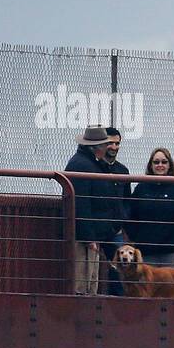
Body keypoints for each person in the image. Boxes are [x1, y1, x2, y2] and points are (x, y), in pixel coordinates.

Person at [64, 124, 128, 295]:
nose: (109, 148)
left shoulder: (86, 163)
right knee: (84, 279)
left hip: (92, 232)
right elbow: (81, 204)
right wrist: (89, 237)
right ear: (97, 147)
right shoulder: (83, 166)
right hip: (87, 235)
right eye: (105, 144)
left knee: (90, 278)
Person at [126, 148, 174, 269]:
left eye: (164, 162)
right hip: (146, 250)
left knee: (170, 286)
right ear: (151, 165)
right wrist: (135, 238)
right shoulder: (141, 188)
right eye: (156, 162)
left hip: (171, 250)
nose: (160, 165)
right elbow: (131, 215)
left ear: (170, 164)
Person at [99, 127, 132, 296]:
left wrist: (122, 219)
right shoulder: (93, 167)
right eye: (110, 143)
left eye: (117, 143)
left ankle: (117, 300)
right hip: (96, 228)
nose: (113, 147)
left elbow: (127, 199)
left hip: (115, 230)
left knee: (119, 267)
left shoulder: (123, 171)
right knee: (92, 268)